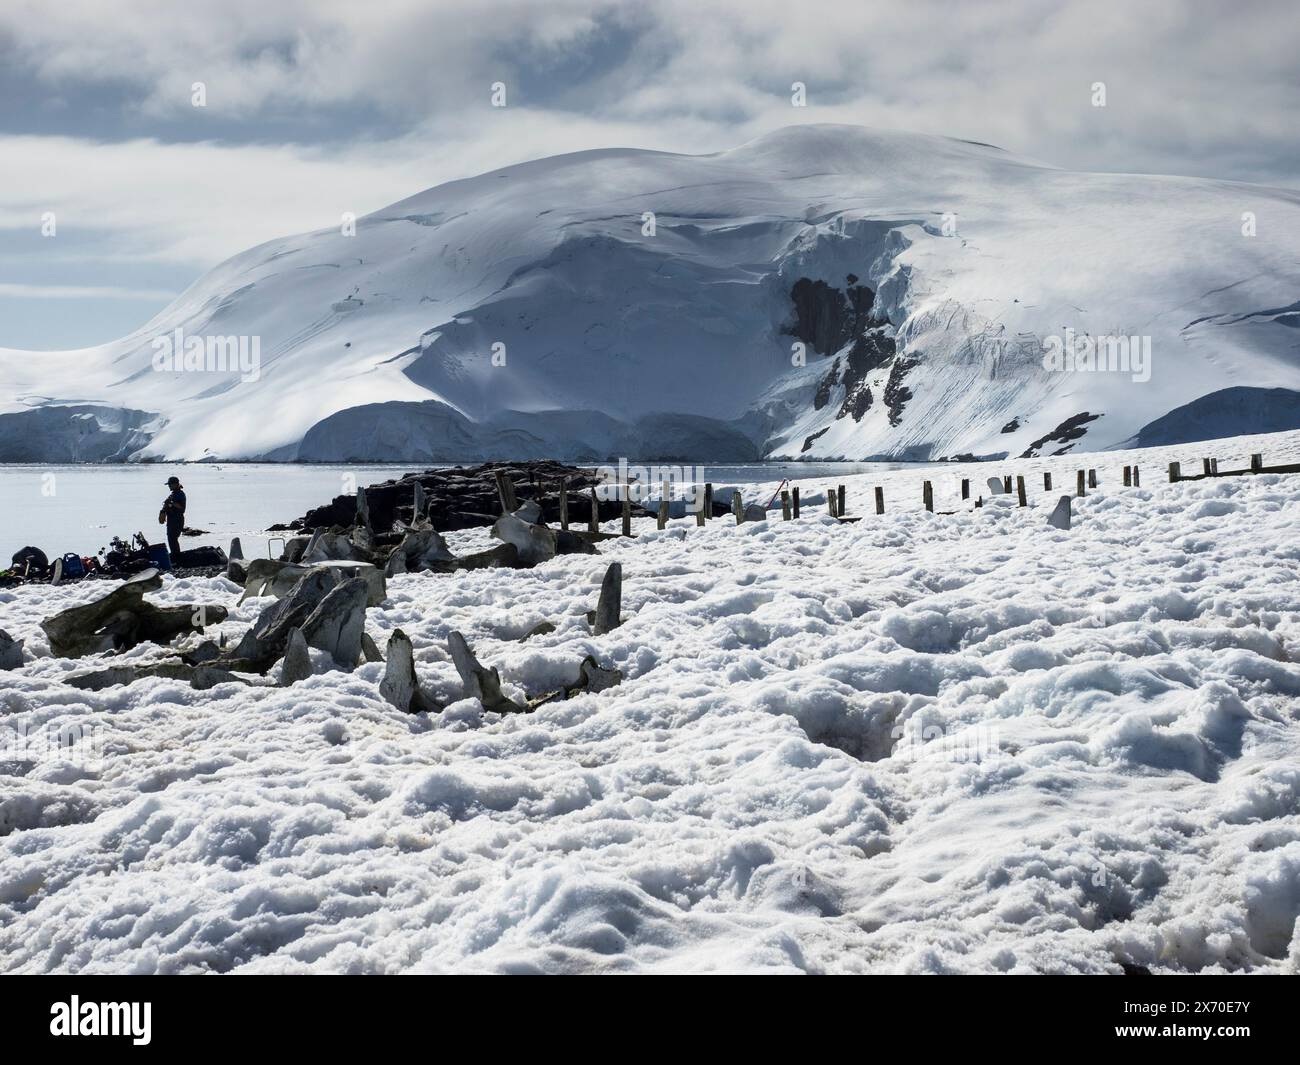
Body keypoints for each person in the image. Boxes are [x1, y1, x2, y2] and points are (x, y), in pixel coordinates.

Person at [160, 476, 187, 564]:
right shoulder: (173, 494)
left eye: (170, 484)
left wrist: (171, 504)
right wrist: (163, 511)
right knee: (171, 538)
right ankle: (175, 557)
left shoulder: (180, 494)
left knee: (173, 538)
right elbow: (167, 505)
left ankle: (177, 558)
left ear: (175, 484)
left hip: (177, 520)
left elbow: (182, 508)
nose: (169, 486)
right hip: (171, 520)